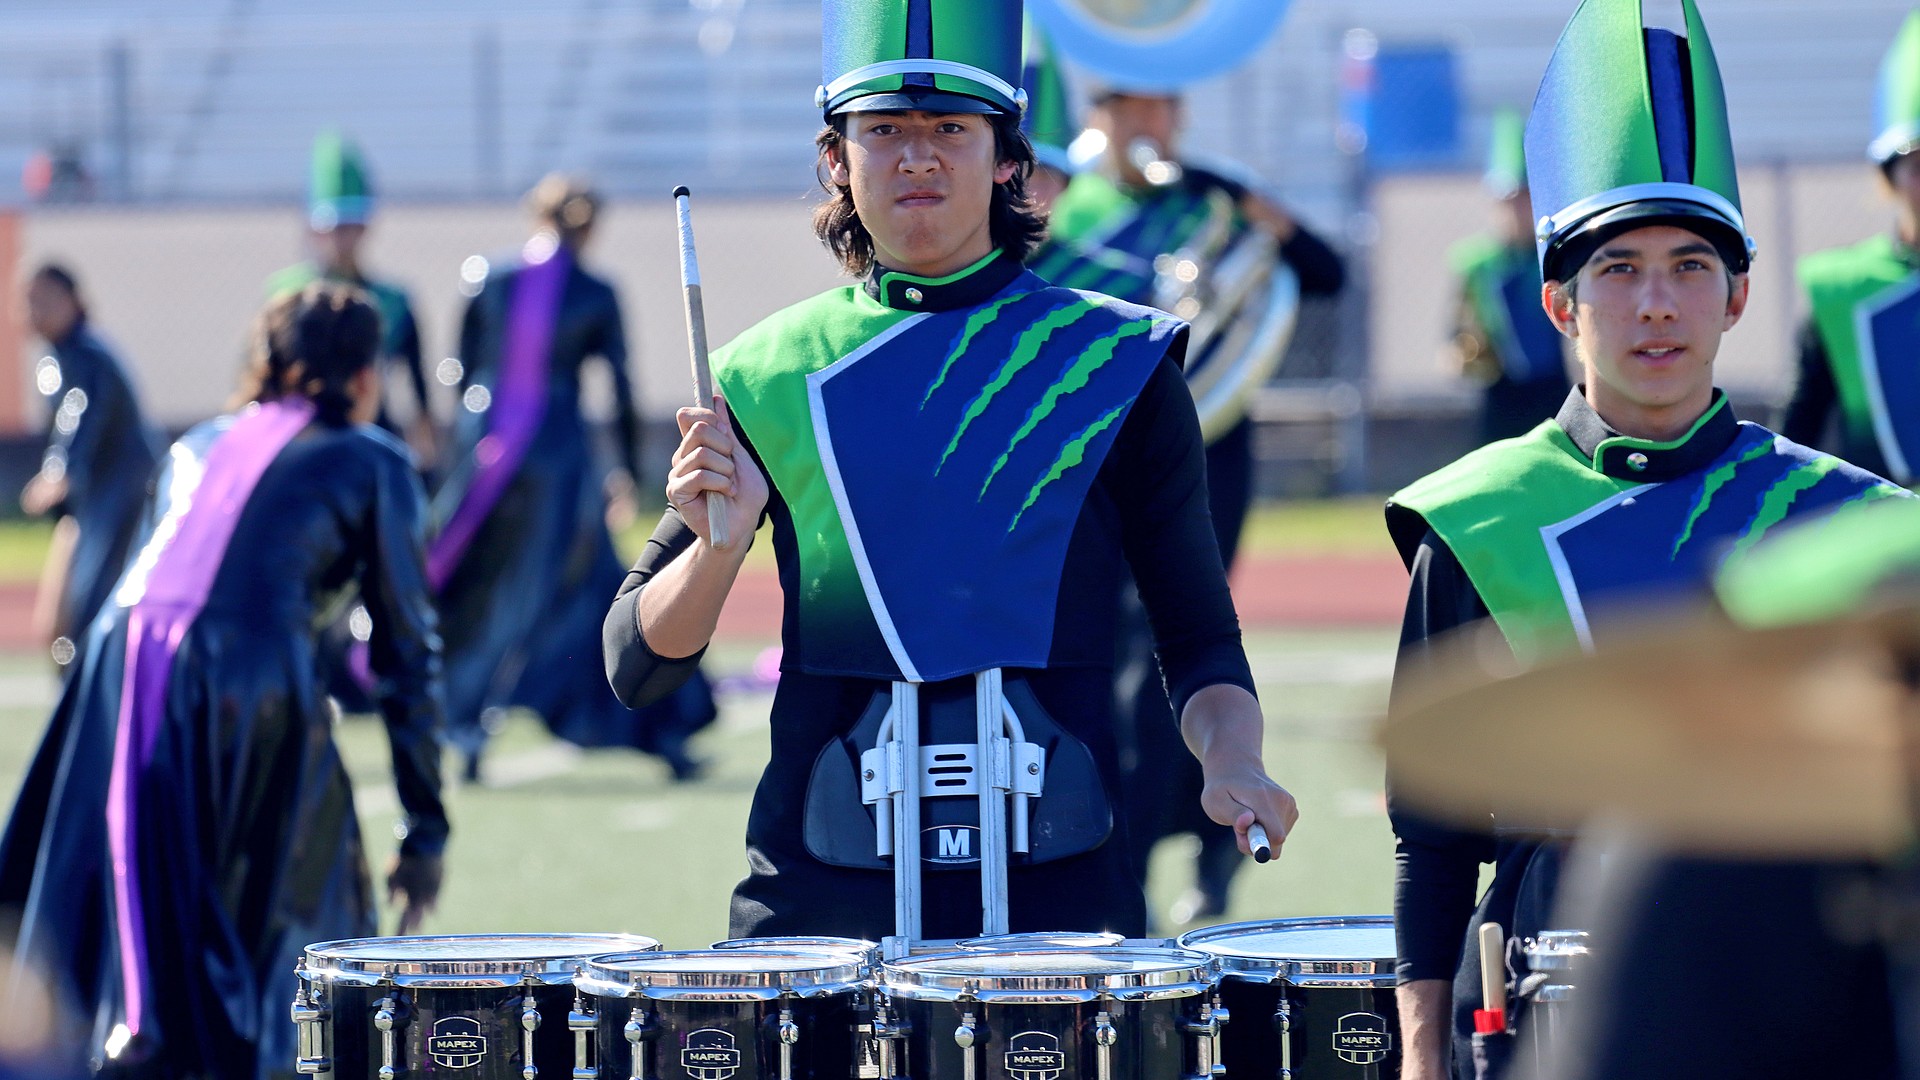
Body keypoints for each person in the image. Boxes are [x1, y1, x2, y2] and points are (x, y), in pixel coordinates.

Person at [603, 0, 1296, 941]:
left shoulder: (1116, 363)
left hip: (1063, 889)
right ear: (837, 160)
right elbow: (635, 664)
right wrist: (716, 556)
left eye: (949, 129)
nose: (916, 156)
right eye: (882, 130)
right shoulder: (764, 376)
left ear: (1008, 157)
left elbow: (1200, 640)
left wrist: (1233, 758)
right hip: (821, 904)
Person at [1382, 2, 1907, 1077]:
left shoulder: (1861, 525)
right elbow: (1431, 841)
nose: (1656, 304)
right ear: (1560, 307)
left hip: (1817, 1008)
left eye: (1690, 268)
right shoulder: (1473, 517)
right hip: (1542, 1014)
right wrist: (1424, 1055)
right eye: (1618, 270)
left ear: (1739, 296)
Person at [0, 283, 449, 1079]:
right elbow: (407, 655)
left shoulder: (196, 443)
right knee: (311, 908)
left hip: (121, 651)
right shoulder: (376, 460)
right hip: (242, 664)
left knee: (127, 894)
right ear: (364, 373)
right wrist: (423, 836)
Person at [1036, 71, 1346, 926]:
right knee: (1113, 653)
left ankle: (1205, 848)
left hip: (1208, 449)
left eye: (1168, 103)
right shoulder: (1057, 207)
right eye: (1137, 103)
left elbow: (1324, 274)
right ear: (1101, 114)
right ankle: (1137, 847)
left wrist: (1265, 219)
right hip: (1095, 460)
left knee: (1192, 638)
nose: (1158, 121)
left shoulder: (1213, 197)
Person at [434, 175, 701, 781]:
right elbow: (622, 387)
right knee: (599, 588)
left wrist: (461, 454)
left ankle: (468, 725)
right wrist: (632, 471)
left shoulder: (488, 276)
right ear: (590, 228)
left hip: (487, 457)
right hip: (557, 458)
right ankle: (663, 732)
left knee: (484, 591)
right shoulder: (595, 291)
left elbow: (459, 373)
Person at [1782, 10, 1920, 486]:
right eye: (1917, 164)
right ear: (1889, 177)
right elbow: (1803, 429)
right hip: (1880, 540)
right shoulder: (1842, 290)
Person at [19, 264, 161, 670]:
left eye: (47, 299)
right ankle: (83, 683)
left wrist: (59, 468)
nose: (36, 310)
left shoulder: (86, 354)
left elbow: (81, 410)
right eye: (29, 301)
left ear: (75, 302)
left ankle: (95, 690)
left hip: (125, 493)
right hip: (95, 498)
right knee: (61, 616)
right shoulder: (57, 357)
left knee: (94, 600)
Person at [266, 132, 433, 460]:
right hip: (301, 436)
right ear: (315, 229)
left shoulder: (393, 301)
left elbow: (416, 376)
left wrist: (424, 426)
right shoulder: (286, 295)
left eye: (352, 225)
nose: (344, 238)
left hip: (373, 431)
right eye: (336, 226)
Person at [1447, 107, 1570, 445]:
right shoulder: (1475, 263)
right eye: (1510, 200)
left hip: (1552, 386)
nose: (1517, 210)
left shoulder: (1555, 258)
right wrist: (1461, 353)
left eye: (1525, 199)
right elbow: (1456, 328)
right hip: (1499, 392)